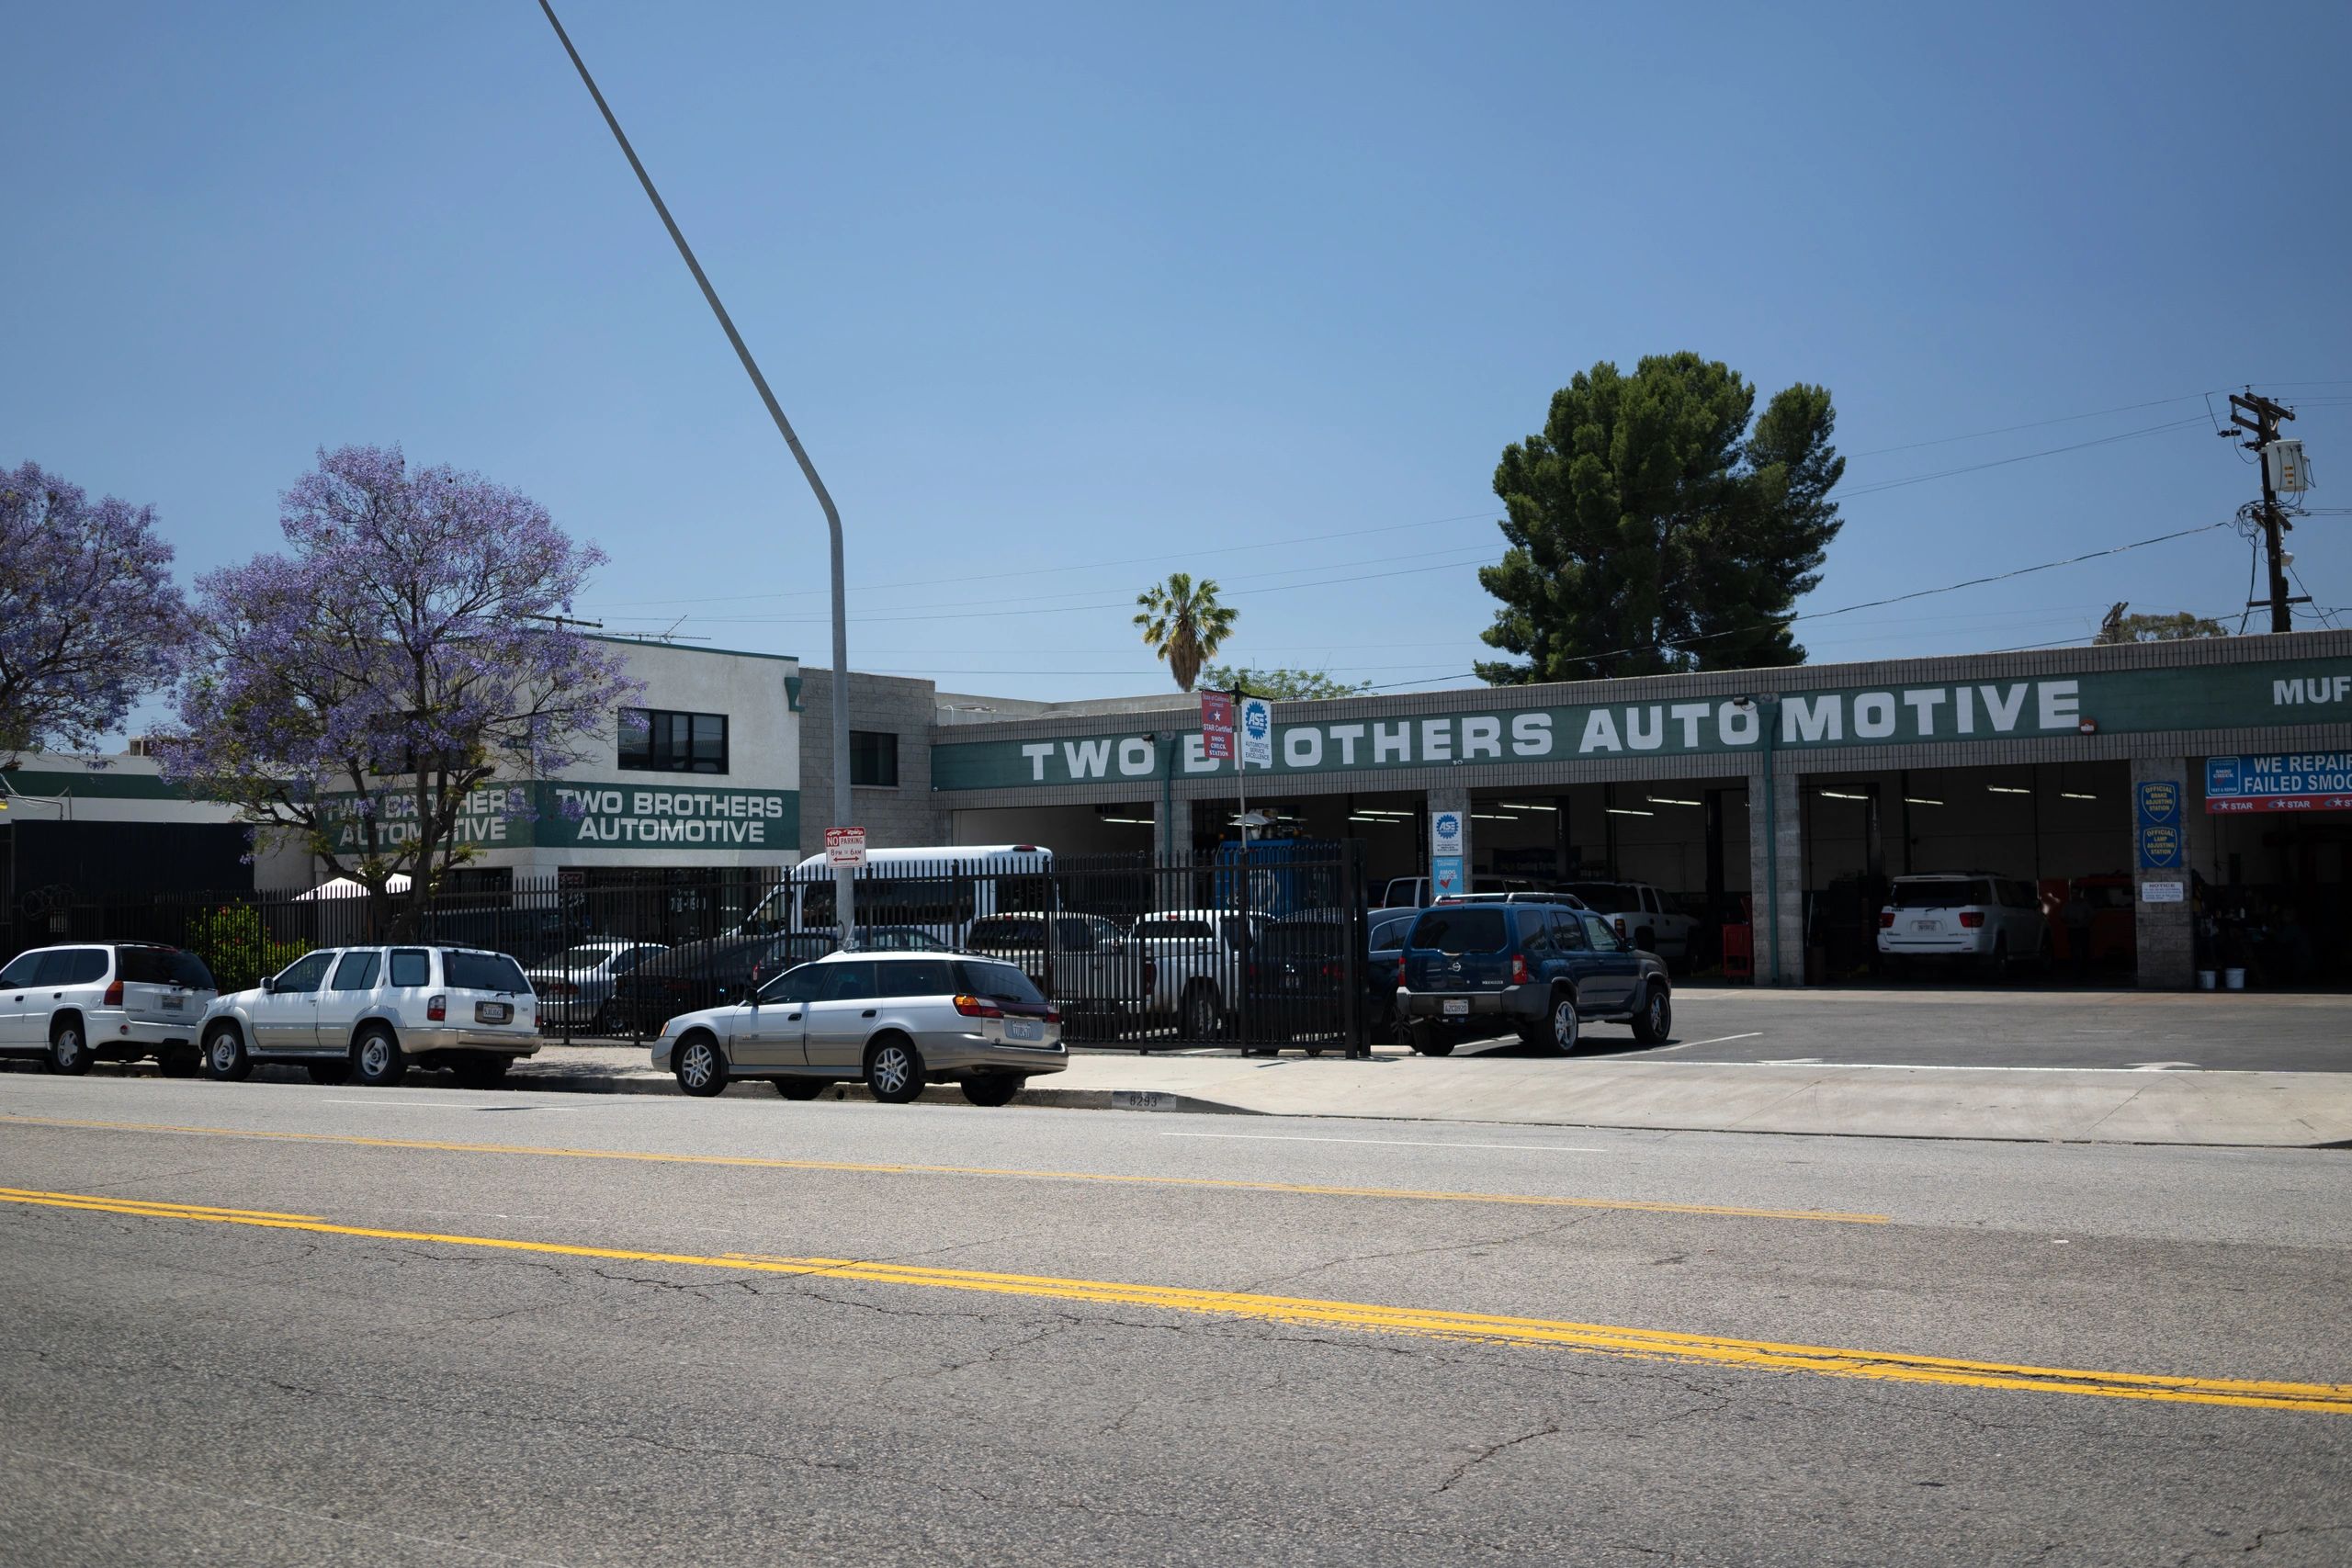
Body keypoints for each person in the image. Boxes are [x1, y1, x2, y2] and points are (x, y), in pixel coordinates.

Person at [2063, 886, 2095, 982]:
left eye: (2076, 893)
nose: (2074, 895)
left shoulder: (2085, 905)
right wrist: (2069, 921)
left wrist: (2086, 922)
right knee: (2074, 951)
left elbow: (2092, 915)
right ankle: (2075, 972)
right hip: (2072, 930)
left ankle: (2086, 972)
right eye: (2073, 893)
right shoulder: (2067, 905)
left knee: (2085, 951)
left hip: (2083, 930)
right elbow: (2062, 917)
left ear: (2079, 894)